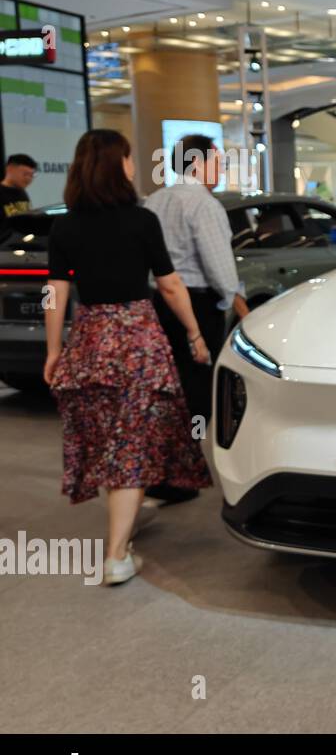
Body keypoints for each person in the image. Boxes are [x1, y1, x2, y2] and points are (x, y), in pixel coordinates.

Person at [43, 129, 212, 586]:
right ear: (117, 165)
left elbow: (54, 293)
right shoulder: (140, 221)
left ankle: (127, 522)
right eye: (130, 158)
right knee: (131, 445)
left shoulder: (65, 225)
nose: (135, 165)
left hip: (91, 342)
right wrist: (195, 333)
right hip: (138, 342)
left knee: (106, 442)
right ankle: (117, 554)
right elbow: (171, 285)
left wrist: (54, 350)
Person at [144, 134, 249, 504]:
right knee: (198, 393)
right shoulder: (204, 206)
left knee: (167, 389)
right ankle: (184, 472)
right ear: (197, 163)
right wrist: (231, 303)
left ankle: (161, 470)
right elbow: (220, 268)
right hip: (198, 305)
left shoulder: (154, 201)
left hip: (161, 302)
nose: (220, 168)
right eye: (217, 161)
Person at [0, 153, 36, 219]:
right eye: (25, 174)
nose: (28, 179)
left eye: (31, 175)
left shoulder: (22, 192)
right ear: (10, 169)